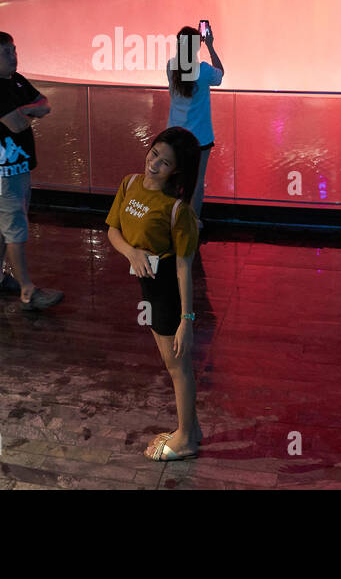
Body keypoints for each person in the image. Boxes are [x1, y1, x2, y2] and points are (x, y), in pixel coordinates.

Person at [105, 127, 203, 461]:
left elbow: (184, 268)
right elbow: (113, 229)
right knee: (174, 365)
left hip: (166, 292)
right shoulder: (129, 183)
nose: (154, 164)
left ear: (176, 170)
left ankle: (186, 439)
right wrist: (131, 253)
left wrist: (186, 320)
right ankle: (192, 427)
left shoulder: (178, 210)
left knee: (178, 367)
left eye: (165, 162)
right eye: (154, 154)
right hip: (146, 285)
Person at [0, 30, 62, 310]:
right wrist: (29, 111)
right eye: (6, 52)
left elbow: (45, 105)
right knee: (15, 229)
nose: (14, 56)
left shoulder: (17, 81)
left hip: (19, 169)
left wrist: (25, 110)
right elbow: (18, 124)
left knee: (6, 223)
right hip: (0, 175)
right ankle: (27, 291)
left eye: (14, 50)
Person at [165, 25, 224, 228]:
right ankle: (192, 222)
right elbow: (221, 75)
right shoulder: (204, 70)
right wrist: (211, 45)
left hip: (175, 135)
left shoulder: (171, 66)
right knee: (197, 182)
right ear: (197, 47)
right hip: (200, 137)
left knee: (175, 178)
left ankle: (172, 219)